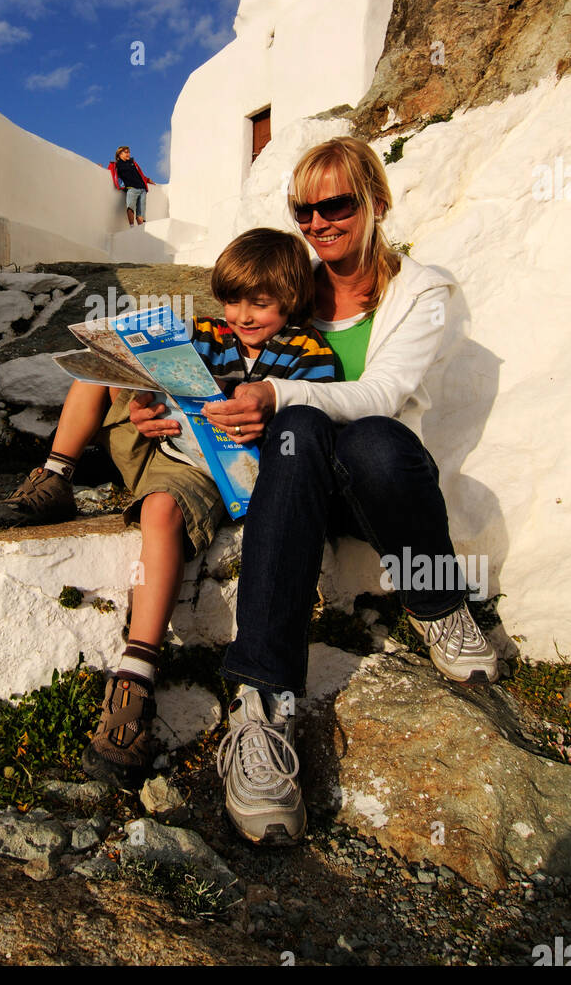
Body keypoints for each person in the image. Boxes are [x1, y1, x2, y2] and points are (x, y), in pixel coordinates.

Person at [157, 135, 497, 847]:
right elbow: (231, 371)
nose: (317, 222)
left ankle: (438, 604)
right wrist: (179, 411)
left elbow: (383, 391)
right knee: (299, 433)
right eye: (302, 209)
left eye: (334, 203)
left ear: (376, 202)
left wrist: (275, 395)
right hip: (294, 476)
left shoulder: (421, 290)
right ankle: (261, 706)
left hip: (381, 480)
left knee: (369, 434)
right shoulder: (287, 288)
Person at [0, 228, 336, 788]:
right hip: (164, 443)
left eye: (261, 303)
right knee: (98, 366)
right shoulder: (206, 332)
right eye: (232, 301)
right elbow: (160, 387)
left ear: (293, 299)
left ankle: (135, 677)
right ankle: (54, 475)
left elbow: (312, 431)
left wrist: (265, 421)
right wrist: (148, 408)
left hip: (216, 476)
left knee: (158, 513)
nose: (242, 317)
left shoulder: (307, 355)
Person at [109, 145, 154, 226]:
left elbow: (140, 174)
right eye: (125, 152)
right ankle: (132, 227)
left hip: (142, 188)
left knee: (141, 213)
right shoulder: (116, 165)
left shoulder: (133, 163)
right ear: (119, 154)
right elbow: (111, 172)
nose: (128, 154)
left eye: (129, 152)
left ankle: (142, 229)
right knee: (130, 207)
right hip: (131, 188)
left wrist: (148, 180)